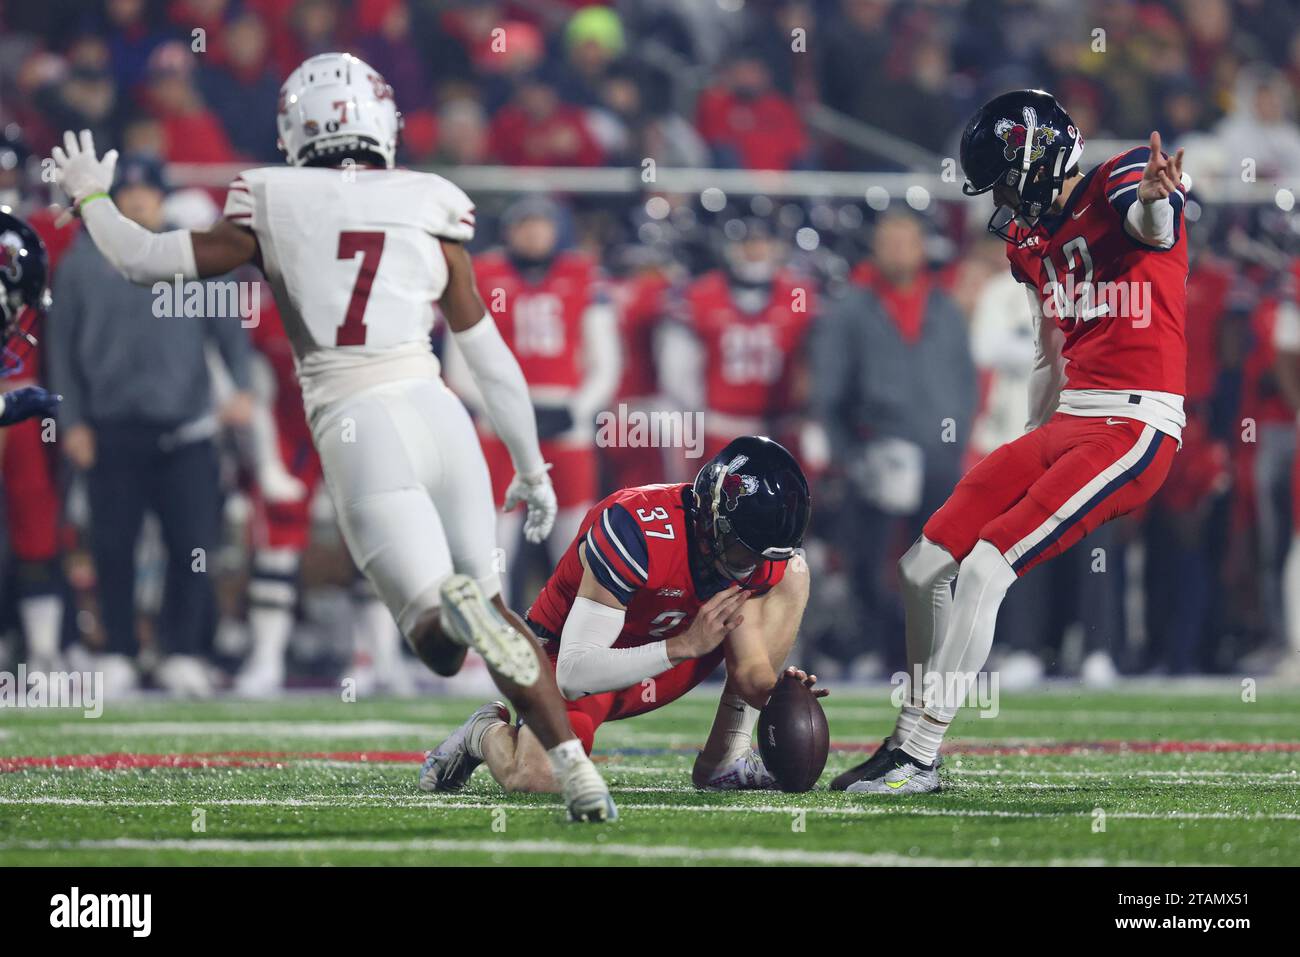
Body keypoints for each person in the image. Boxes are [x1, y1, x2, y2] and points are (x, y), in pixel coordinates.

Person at [49, 52, 615, 823]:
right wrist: (531, 467)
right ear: (382, 120)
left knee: (436, 637)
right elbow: (491, 357)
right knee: (498, 610)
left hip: (358, 420)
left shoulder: (272, 199)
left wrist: (90, 197)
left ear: (297, 126)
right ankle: (578, 771)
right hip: (440, 409)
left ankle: (453, 614)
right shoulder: (428, 201)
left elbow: (143, 260)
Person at [838, 89, 1190, 794]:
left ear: (1035, 161)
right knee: (923, 564)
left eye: (1003, 179)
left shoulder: (1119, 179)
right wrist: (1032, 443)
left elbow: (1152, 224)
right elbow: (1048, 353)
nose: (1000, 197)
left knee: (987, 565)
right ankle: (910, 731)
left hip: (1136, 421)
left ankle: (918, 752)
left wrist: (1157, 197)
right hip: (1070, 419)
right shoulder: (1029, 242)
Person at [421, 436, 819, 796]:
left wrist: (777, 692)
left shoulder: (757, 557)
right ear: (712, 519)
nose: (751, 567)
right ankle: (484, 730)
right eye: (742, 551)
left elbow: (750, 672)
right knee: (539, 779)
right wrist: (684, 645)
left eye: (760, 555)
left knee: (793, 573)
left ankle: (726, 760)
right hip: (568, 662)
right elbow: (574, 674)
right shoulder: (636, 529)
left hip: (669, 652)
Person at [46, 156, 253, 698]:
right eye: (128, 192)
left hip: (187, 426)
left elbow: (228, 329)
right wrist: (71, 421)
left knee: (192, 544)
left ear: (162, 199)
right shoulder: (82, 261)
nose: (138, 201)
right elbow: (60, 351)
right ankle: (118, 649)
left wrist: (242, 387)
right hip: (111, 427)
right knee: (113, 544)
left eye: (146, 192)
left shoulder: (189, 253)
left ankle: (181, 650)